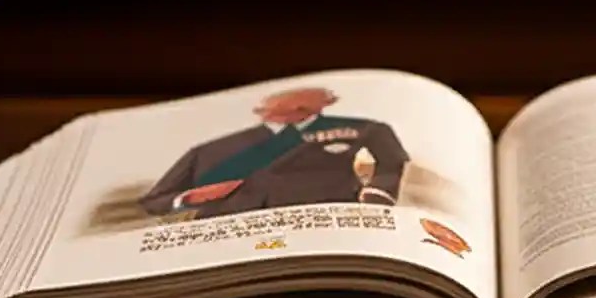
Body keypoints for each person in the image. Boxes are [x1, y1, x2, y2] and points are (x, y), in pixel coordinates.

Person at [140, 87, 409, 219]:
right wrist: (190, 197)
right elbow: (155, 201)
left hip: (321, 223)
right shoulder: (209, 151)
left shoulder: (364, 129)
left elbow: (391, 165)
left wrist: (374, 201)